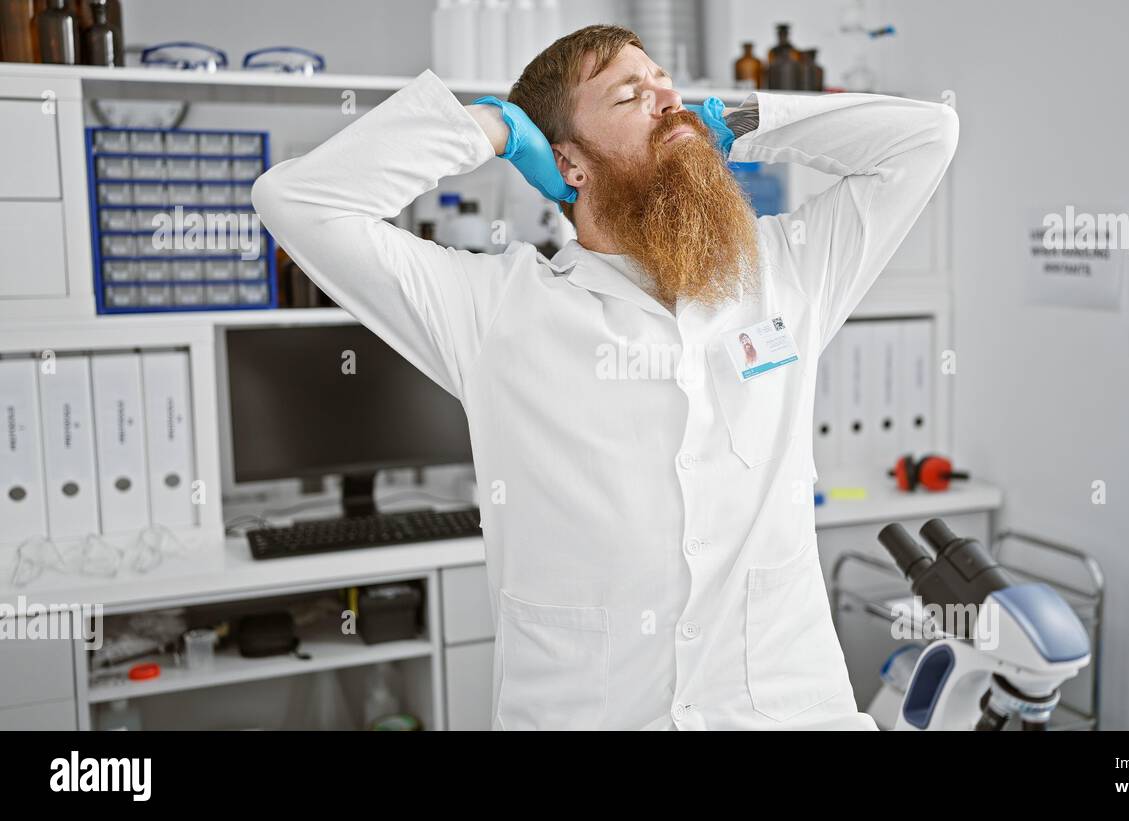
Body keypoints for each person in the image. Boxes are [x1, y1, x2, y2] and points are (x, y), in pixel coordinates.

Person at [252, 24, 958, 730]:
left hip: (784, 713)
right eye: (630, 93)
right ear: (568, 162)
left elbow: (926, 138)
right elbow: (298, 202)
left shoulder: (782, 272)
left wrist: (742, 120)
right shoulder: (499, 310)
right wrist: (490, 128)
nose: (669, 101)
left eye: (665, 84)